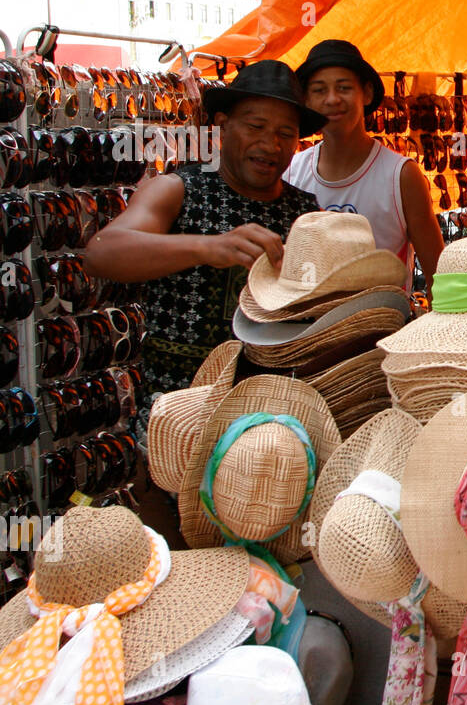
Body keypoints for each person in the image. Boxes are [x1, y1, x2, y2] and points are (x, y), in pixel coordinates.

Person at [84, 59, 325, 420]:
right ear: (223, 127)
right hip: (180, 421)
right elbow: (102, 253)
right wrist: (206, 246)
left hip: (270, 422)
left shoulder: (306, 213)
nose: (270, 144)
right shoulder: (178, 190)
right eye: (256, 126)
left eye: (285, 134)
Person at [286, 39, 443, 292]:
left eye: (344, 88)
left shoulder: (401, 177)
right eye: (319, 90)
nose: (332, 99)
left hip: (385, 328)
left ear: (366, 93)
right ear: (306, 100)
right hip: (308, 327)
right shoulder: (292, 172)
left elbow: (438, 276)